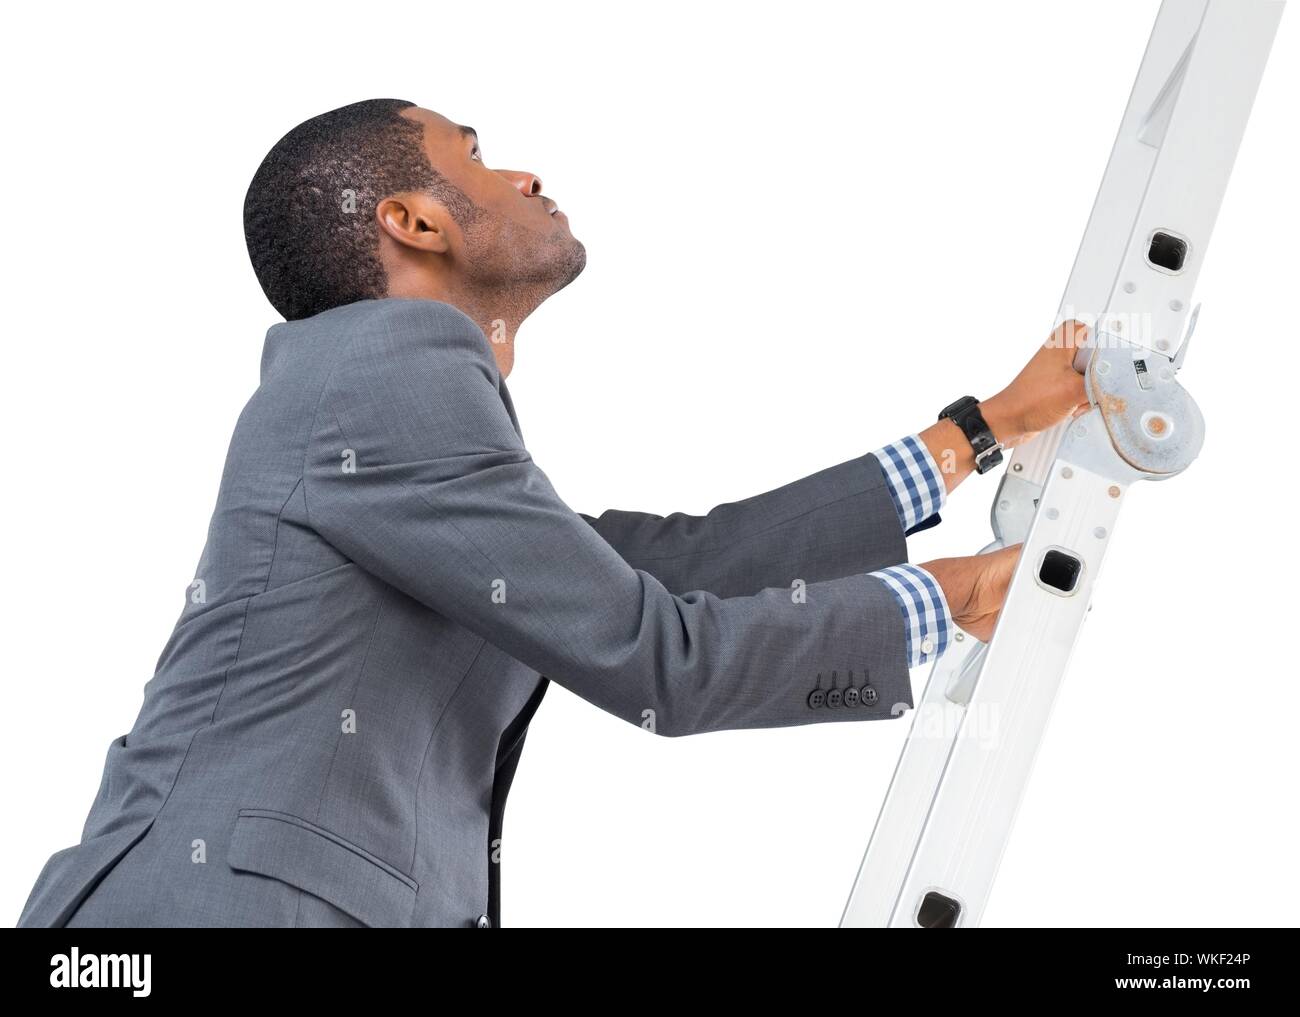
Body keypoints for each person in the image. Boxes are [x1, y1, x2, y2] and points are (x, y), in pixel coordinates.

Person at [18, 99, 1088, 928]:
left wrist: (979, 431)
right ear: (413, 220)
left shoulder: (388, 419)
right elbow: (662, 658)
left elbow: (670, 568)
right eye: (477, 151)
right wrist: (949, 596)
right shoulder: (384, 384)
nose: (523, 172)